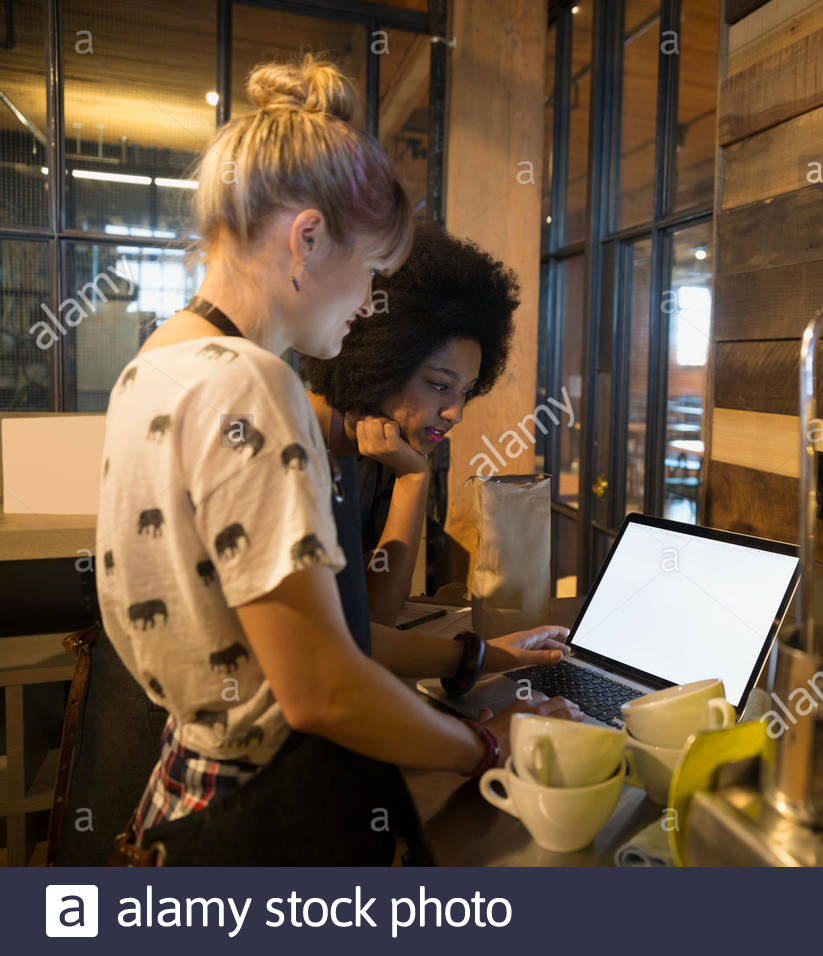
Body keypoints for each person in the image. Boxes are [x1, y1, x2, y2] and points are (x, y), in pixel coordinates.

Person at [92, 55, 578, 866]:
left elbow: (323, 638)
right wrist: (489, 745)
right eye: (372, 276)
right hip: (268, 814)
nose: (366, 307)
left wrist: (476, 662)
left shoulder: (156, 362)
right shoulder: (254, 384)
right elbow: (321, 689)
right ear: (307, 239)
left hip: (186, 792)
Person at [300, 222, 514, 623]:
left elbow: (377, 613)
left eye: (465, 391)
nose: (456, 413)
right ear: (379, 365)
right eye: (438, 385)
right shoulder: (293, 437)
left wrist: (414, 476)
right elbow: (351, 632)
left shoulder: (390, 450)